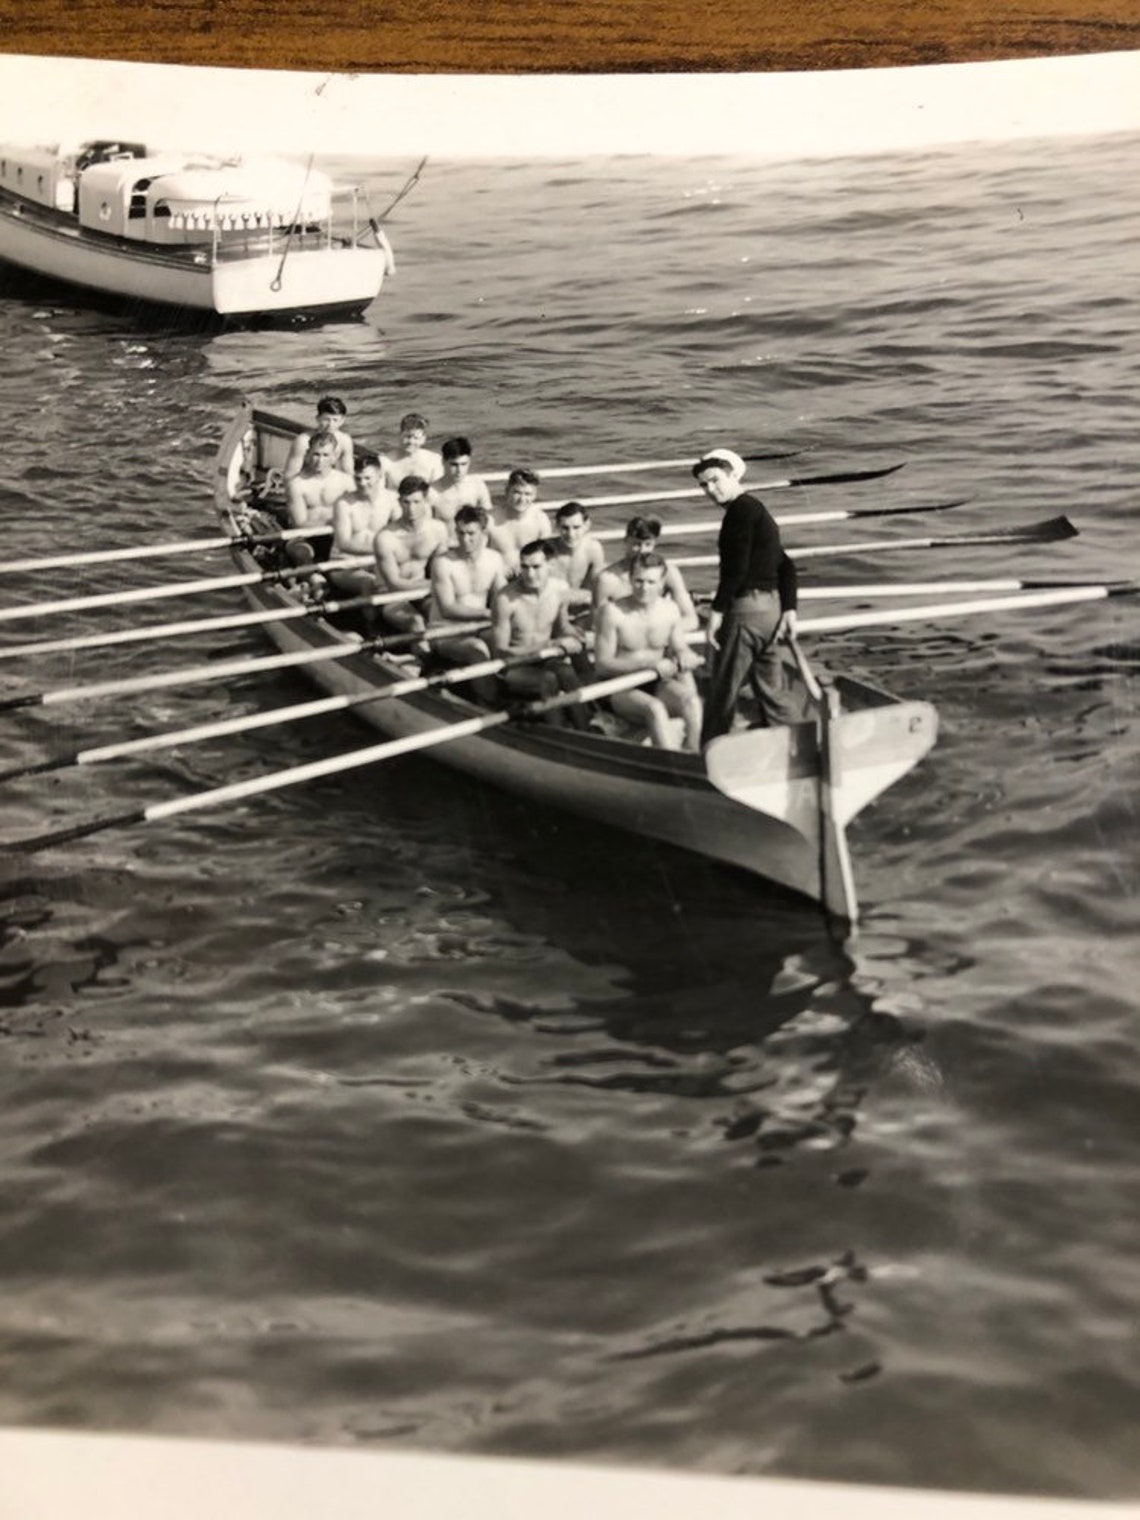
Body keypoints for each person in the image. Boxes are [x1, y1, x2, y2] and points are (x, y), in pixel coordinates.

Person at [694, 446, 810, 746]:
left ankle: (709, 756)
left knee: (722, 690)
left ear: (733, 475)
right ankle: (800, 748)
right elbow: (786, 565)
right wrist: (789, 610)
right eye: (704, 485)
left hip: (745, 613)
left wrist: (716, 615)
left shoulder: (739, 512)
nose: (710, 489)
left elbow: (735, 570)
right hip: (770, 612)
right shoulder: (759, 511)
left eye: (715, 480)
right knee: (772, 689)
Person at [594, 553, 702, 752]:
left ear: (662, 583)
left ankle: (693, 755)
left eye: (651, 582)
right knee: (655, 709)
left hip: (656, 682)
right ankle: (671, 763)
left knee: (692, 701)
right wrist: (648, 665)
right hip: (621, 686)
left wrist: (684, 654)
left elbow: (679, 646)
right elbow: (602, 664)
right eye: (639, 581)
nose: (644, 588)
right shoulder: (612, 612)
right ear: (630, 579)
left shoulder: (670, 609)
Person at [486, 540, 591, 728]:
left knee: (567, 672)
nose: (529, 574)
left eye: (536, 567)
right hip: (513, 668)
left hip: (544, 660)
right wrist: (549, 645)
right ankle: (557, 734)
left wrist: (579, 635)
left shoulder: (559, 589)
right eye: (524, 567)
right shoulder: (505, 599)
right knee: (548, 680)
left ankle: (585, 729)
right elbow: (500, 653)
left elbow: (562, 627)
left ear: (550, 565)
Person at [428, 504, 509, 666]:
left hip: (479, 626)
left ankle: (511, 684)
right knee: (477, 651)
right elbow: (447, 609)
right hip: (445, 630)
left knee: (508, 643)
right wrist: (488, 614)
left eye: (471, 533)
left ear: (484, 533)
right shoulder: (443, 562)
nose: (465, 540)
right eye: (460, 533)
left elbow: (503, 598)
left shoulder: (494, 559)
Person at [372, 475, 449, 637]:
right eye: (406, 502)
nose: (411, 509)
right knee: (416, 622)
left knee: (443, 613)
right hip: (390, 596)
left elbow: (442, 571)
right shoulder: (385, 537)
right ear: (399, 502)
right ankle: (422, 661)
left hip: (422, 591)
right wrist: (436, 585)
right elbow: (394, 584)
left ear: (426, 501)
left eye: (416, 502)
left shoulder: (438, 530)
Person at [593, 516, 699, 631]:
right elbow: (598, 625)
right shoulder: (607, 579)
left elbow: (690, 619)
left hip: (659, 635)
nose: (642, 551)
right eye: (636, 544)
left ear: (654, 544)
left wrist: (659, 633)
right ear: (626, 541)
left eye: (648, 544)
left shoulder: (669, 573)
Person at [326, 457, 401, 601]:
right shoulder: (343, 503)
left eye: (367, 478)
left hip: (377, 561)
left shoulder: (392, 499)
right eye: (358, 478)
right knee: (369, 583)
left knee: (398, 578)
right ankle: (369, 623)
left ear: (380, 476)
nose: (362, 483)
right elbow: (344, 544)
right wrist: (382, 551)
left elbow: (403, 534)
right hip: (344, 564)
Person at [284, 434, 356, 540]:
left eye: (325, 455)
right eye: (316, 454)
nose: (320, 461)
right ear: (308, 454)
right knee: (300, 551)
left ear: (334, 456)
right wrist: (332, 522)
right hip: (307, 536)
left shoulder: (346, 482)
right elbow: (299, 523)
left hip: (338, 534)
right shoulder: (296, 484)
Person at [546, 501, 606, 617]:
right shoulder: (546, 551)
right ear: (556, 526)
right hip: (552, 613)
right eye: (565, 528)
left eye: (576, 527)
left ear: (587, 525)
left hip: (581, 612)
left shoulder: (593, 549)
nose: (571, 534)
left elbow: (596, 594)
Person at [488, 468, 551, 572]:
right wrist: (499, 569)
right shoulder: (490, 519)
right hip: (498, 576)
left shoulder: (540, 520)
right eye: (517, 492)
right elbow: (479, 555)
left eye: (527, 494)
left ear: (534, 496)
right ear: (507, 491)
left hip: (529, 576)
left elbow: (547, 557)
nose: (522, 499)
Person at [432, 436, 494, 534]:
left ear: (469, 462)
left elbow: (488, 521)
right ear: (443, 462)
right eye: (454, 465)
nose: (459, 471)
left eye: (463, 464)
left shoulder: (477, 485)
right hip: (447, 546)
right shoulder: (432, 491)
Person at [283, 396, 354, 480]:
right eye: (326, 419)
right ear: (318, 418)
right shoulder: (303, 441)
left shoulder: (345, 441)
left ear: (342, 421)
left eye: (335, 420)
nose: (330, 425)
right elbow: (290, 475)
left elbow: (348, 474)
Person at [384, 411, 442, 490]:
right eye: (407, 437)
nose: (411, 442)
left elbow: (437, 493)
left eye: (416, 438)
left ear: (423, 439)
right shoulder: (386, 461)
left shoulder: (435, 461)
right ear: (400, 435)